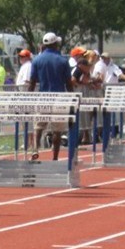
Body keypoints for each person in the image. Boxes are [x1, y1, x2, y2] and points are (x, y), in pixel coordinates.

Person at [27, 32, 74, 161]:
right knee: (57, 131)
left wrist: (27, 97)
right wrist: (73, 98)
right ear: (55, 44)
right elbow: (68, 83)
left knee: (38, 127)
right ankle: (55, 157)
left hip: (43, 97)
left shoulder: (37, 60)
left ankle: (35, 150)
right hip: (59, 98)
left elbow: (32, 82)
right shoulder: (63, 61)